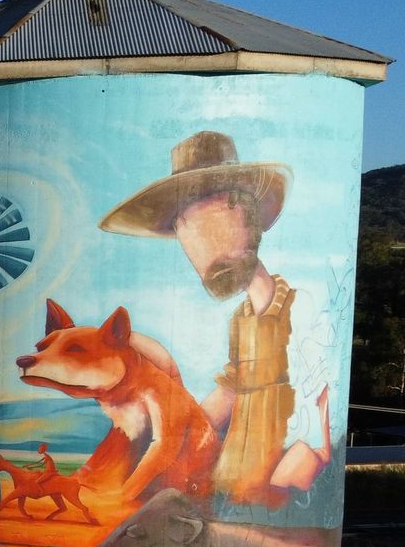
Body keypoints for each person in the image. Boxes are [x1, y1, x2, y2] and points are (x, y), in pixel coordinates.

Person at [99, 130, 330, 510]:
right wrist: (180, 426)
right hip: (233, 480)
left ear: (237, 207)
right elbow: (230, 390)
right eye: (180, 228)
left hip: (278, 484)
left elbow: (320, 394)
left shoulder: (298, 307)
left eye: (191, 219)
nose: (193, 244)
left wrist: (313, 456)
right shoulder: (242, 318)